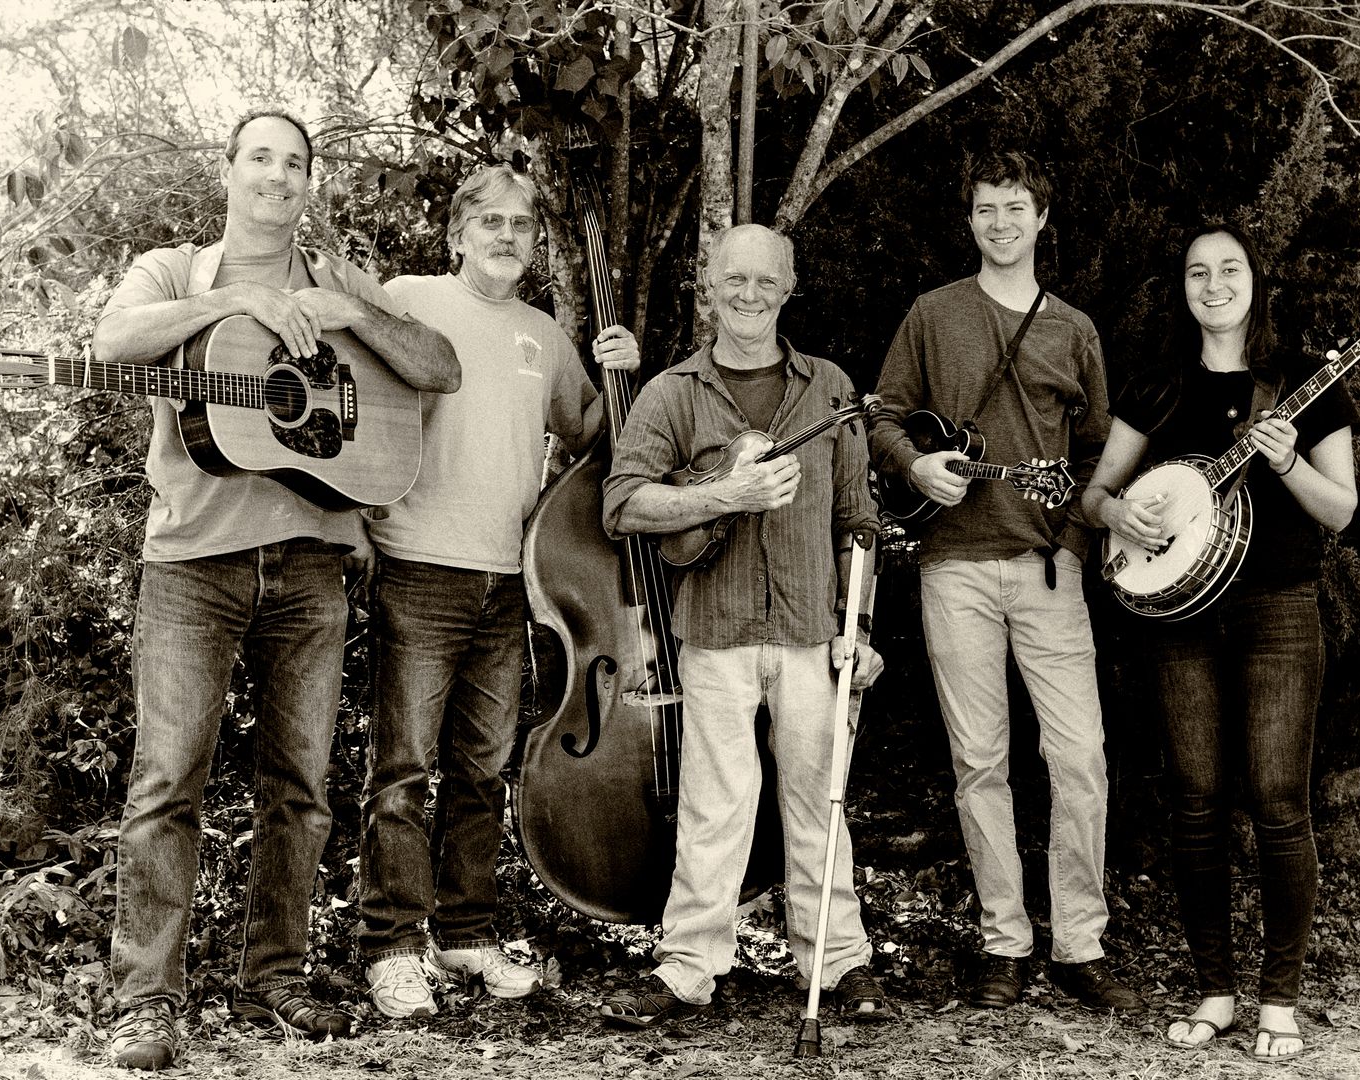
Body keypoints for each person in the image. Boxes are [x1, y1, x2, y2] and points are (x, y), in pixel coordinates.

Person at [94, 108, 462, 1071]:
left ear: (307, 183)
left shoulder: (334, 275)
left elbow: (438, 367)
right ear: (228, 171)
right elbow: (111, 339)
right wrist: (230, 310)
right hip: (192, 565)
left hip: (310, 567)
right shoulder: (176, 269)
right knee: (169, 782)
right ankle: (146, 998)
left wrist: (352, 316)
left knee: (299, 787)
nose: (277, 175)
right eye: (260, 158)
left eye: (294, 163)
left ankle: (276, 974)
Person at [356, 163, 640, 1019]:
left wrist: (621, 370)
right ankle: (393, 947)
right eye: (492, 222)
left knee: (483, 770)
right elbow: (351, 404)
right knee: (402, 769)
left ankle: (467, 934)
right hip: (417, 563)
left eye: (522, 225)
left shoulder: (546, 335)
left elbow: (593, 437)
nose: (508, 236)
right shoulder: (409, 298)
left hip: (509, 578)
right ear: (458, 233)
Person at [594, 223, 893, 1027]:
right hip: (715, 631)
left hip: (809, 630)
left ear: (789, 288)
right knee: (714, 805)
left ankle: (836, 962)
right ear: (709, 286)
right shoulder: (672, 392)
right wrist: (723, 496)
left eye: (767, 281)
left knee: (817, 802)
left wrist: (858, 627)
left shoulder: (829, 388)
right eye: (735, 280)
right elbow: (623, 503)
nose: (750, 295)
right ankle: (690, 965)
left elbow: (856, 518)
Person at [868, 150, 1141, 1012]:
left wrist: (1084, 526)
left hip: (1050, 568)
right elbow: (878, 418)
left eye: (1015, 206)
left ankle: (1080, 944)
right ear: (971, 220)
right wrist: (915, 469)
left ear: (1041, 217)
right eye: (985, 208)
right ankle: (1003, 941)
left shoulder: (1074, 329)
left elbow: (1099, 453)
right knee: (979, 761)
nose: (1000, 222)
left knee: (1080, 760)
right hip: (954, 567)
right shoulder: (931, 314)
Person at [1082, 223, 1356, 1062]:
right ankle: (1216, 990)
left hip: (1278, 607)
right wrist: (1118, 512)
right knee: (1195, 800)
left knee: (1279, 801)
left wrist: (1285, 465)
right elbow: (1096, 494)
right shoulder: (1159, 387)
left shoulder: (1305, 383)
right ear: (1185, 289)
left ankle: (1279, 1001)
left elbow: (1340, 509)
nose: (1213, 283)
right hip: (1182, 618)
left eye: (1228, 268)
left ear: (1254, 282)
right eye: (1197, 271)